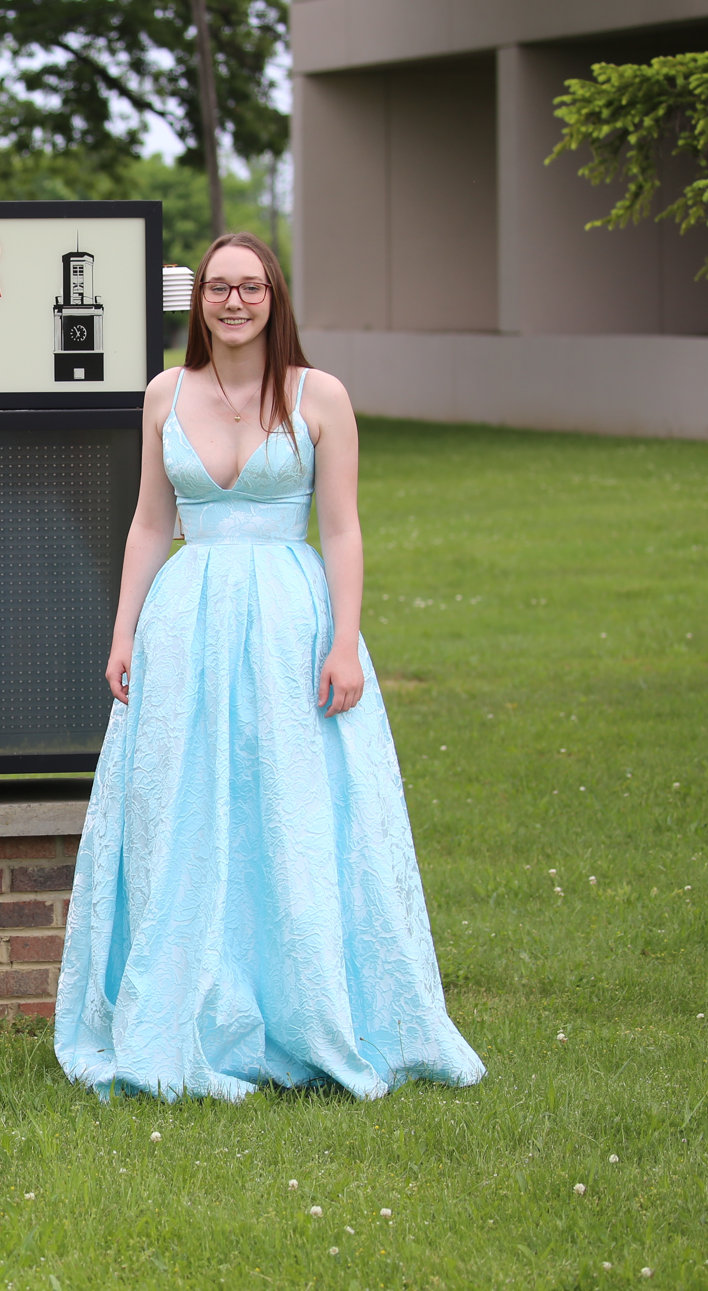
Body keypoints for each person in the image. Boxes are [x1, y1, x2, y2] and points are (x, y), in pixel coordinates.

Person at [54, 232, 484, 1102]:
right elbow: (149, 523)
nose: (234, 301)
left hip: (293, 618)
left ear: (274, 296)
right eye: (218, 287)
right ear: (198, 299)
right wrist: (123, 630)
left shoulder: (318, 394)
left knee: (290, 803)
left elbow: (343, 529)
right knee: (187, 804)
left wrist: (344, 640)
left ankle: (308, 1010)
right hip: (187, 622)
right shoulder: (163, 393)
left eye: (250, 287)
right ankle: (194, 1011)